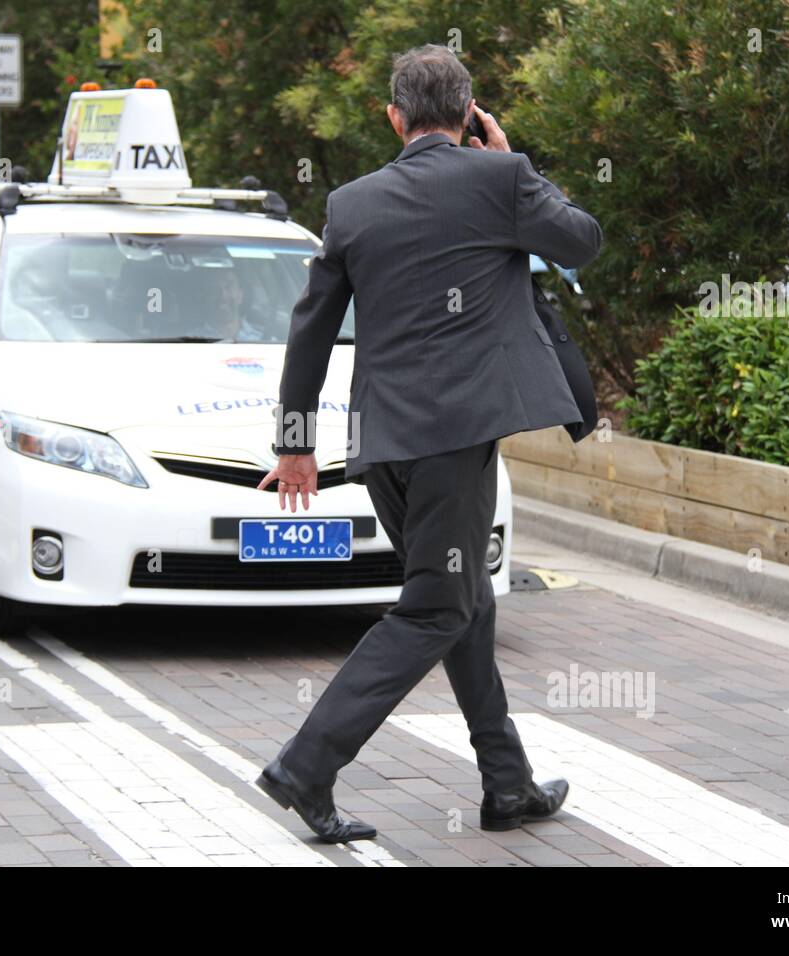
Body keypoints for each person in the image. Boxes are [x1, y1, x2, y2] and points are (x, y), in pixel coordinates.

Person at [255, 44, 603, 843]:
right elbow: (582, 240)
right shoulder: (501, 180)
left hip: (384, 447)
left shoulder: (351, 203)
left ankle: (506, 784)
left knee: (465, 604)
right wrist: (516, 163)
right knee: (435, 607)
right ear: (471, 113)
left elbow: (310, 330)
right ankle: (306, 765)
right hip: (454, 447)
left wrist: (296, 443)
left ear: (395, 117)